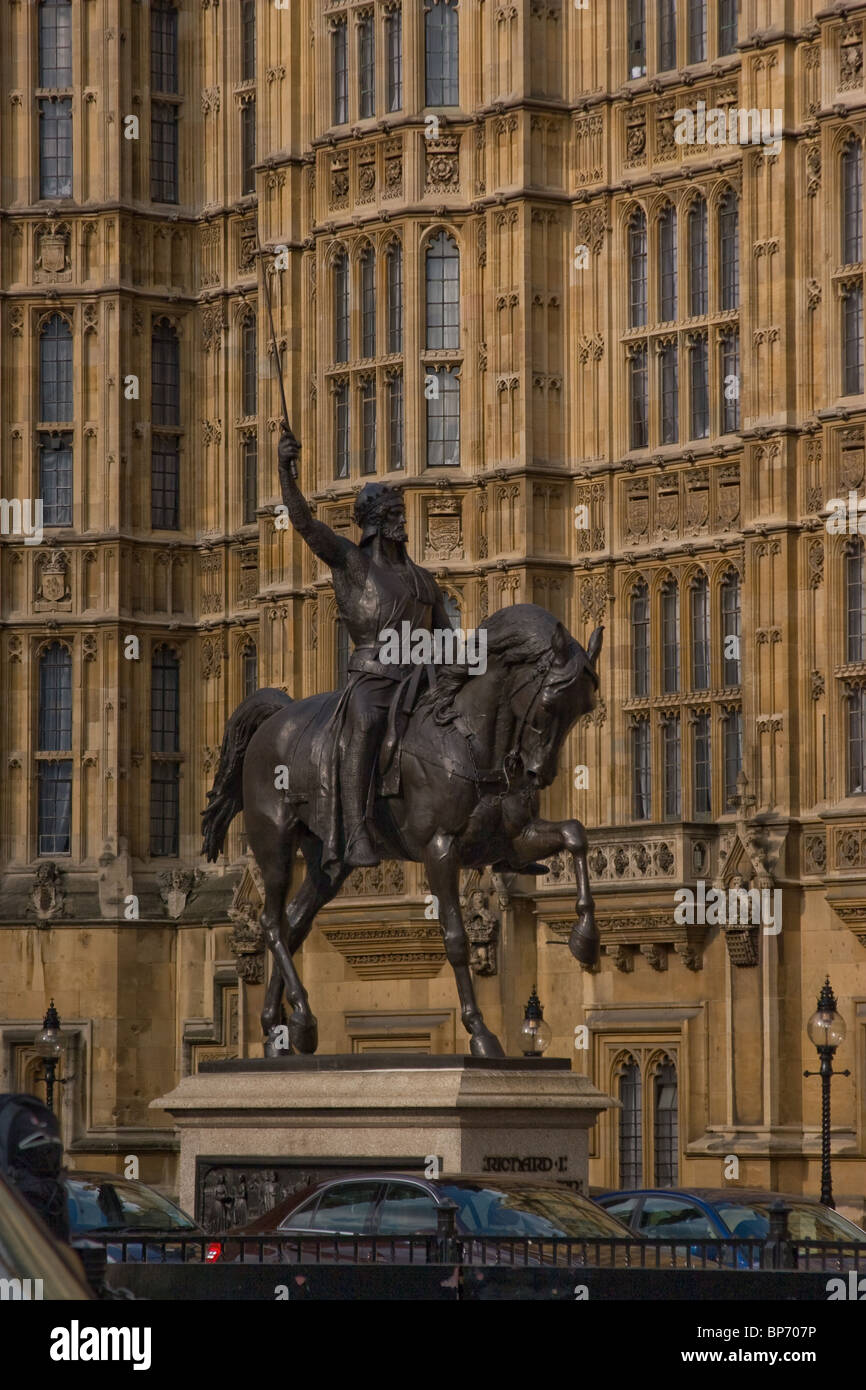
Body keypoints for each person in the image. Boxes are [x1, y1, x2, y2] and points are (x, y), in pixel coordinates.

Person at [277, 427, 453, 875]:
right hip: (374, 679)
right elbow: (306, 526)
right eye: (394, 513)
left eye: (401, 512)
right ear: (376, 521)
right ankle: (355, 830)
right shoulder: (353, 564)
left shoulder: (422, 579)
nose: (402, 521)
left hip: (420, 680)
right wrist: (285, 470)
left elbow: (448, 641)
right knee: (368, 720)